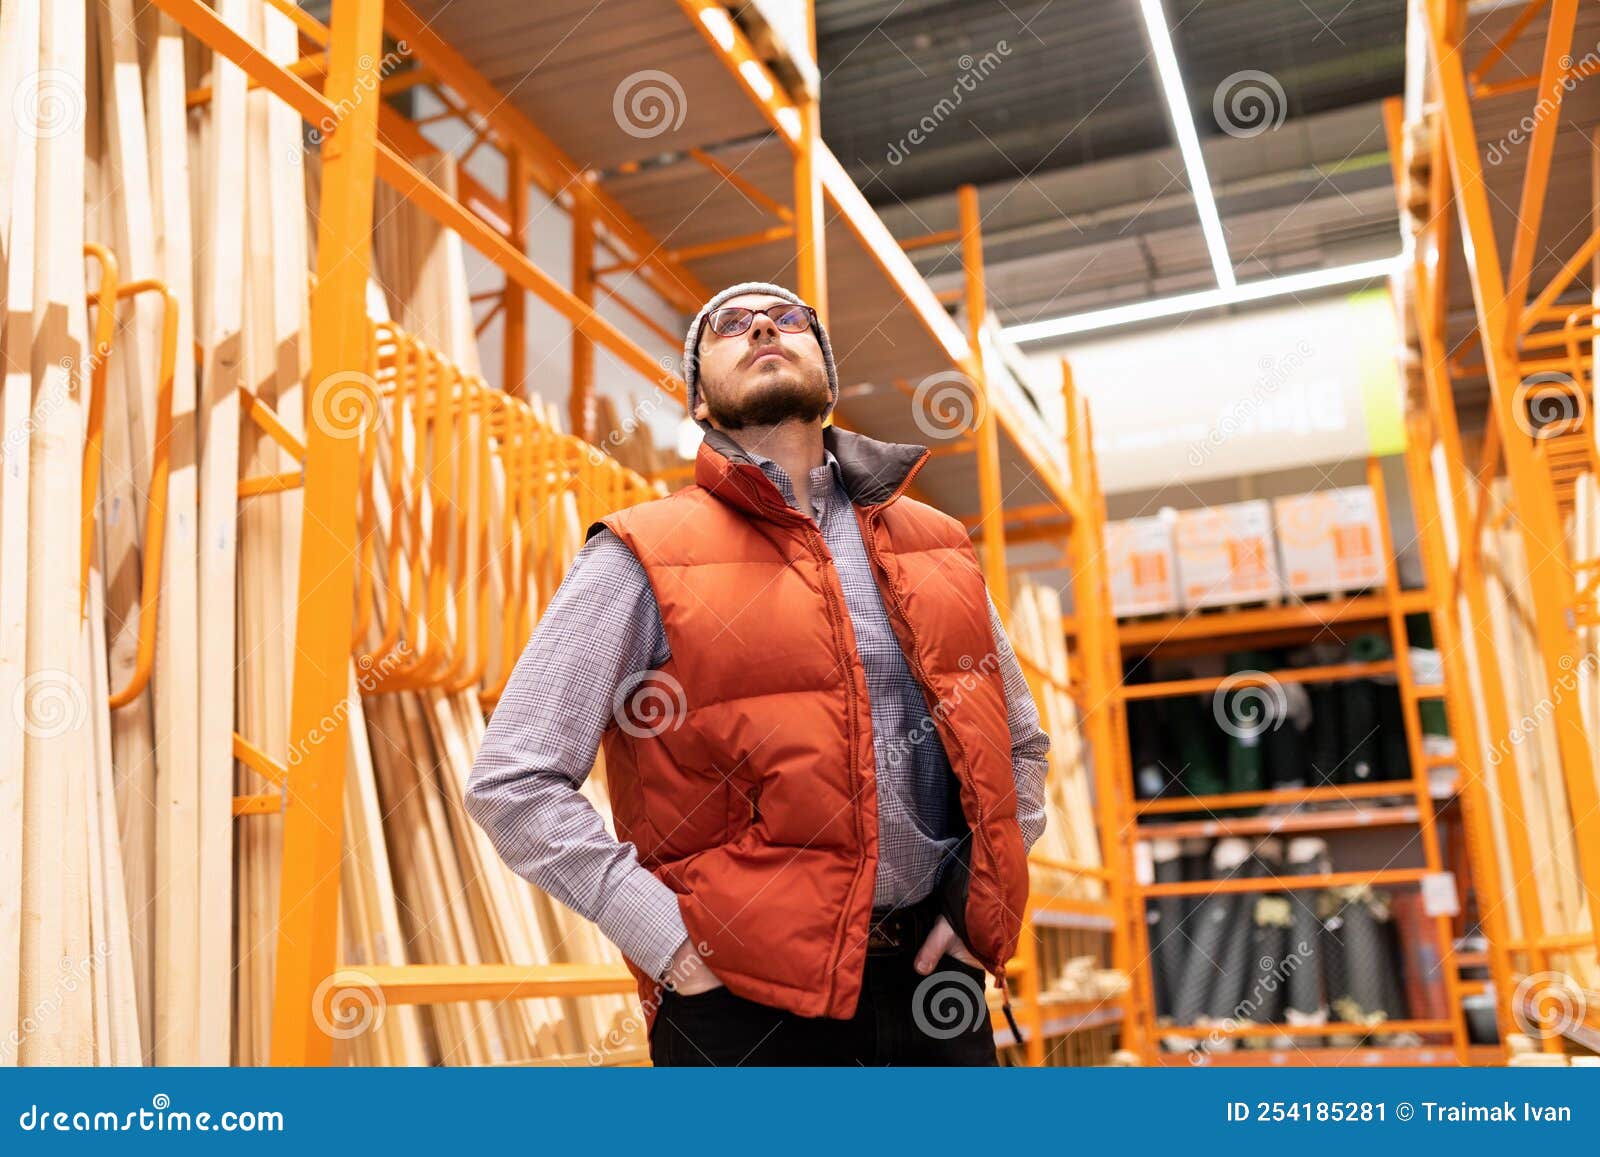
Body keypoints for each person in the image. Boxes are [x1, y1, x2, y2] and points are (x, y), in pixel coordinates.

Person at [466, 281, 1050, 1066]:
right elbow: (514, 778)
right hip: (743, 1008)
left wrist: (975, 907)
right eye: (729, 325)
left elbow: (1020, 747)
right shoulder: (642, 553)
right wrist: (674, 943)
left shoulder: (934, 544)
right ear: (702, 400)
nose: (764, 326)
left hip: (931, 985)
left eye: (791, 319)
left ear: (829, 379)